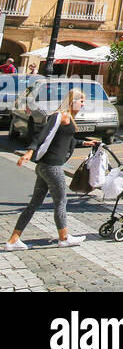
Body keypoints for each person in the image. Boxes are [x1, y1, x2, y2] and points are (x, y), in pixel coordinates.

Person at [6, 89, 97, 250]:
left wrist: (84, 143)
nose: (83, 104)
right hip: (52, 167)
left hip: (44, 167)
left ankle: (13, 240)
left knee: (34, 203)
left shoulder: (68, 118)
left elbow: (65, 140)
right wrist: (30, 151)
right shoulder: (60, 116)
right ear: (72, 100)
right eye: (81, 101)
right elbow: (43, 135)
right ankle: (64, 238)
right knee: (61, 201)